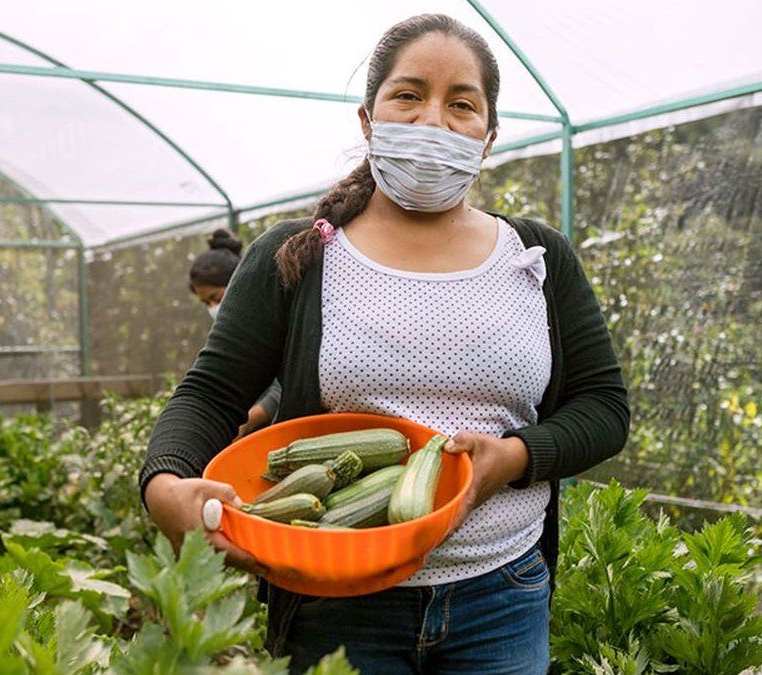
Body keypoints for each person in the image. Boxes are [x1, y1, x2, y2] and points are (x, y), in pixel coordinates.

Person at [141, 13, 629, 673]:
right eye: (409, 95)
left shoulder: (537, 257)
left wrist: (513, 457)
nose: (434, 120)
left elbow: (603, 406)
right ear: (369, 120)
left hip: (501, 596)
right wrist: (165, 484)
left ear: (487, 137)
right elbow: (210, 393)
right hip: (335, 598)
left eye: (462, 103)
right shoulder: (299, 255)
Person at [188, 228, 281, 438]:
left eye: (217, 298)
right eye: (206, 303)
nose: (213, 307)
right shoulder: (227, 335)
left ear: (239, 285)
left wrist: (244, 424)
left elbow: (281, 389)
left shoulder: (272, 320)